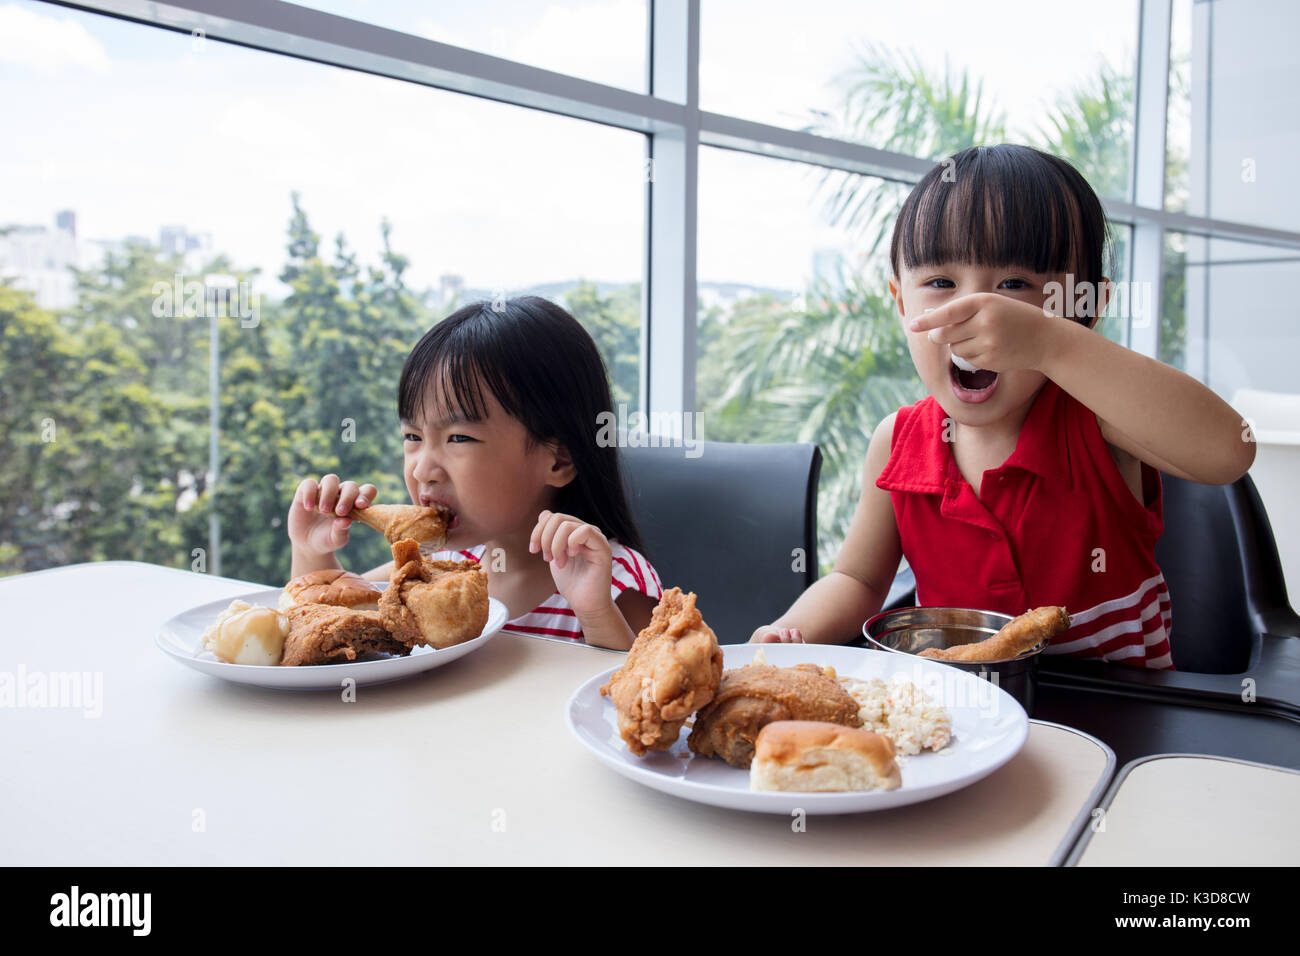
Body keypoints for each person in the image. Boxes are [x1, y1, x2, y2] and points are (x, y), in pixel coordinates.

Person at [751, 144, 1255, 668]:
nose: (977, 313)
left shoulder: (1097, 419)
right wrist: (790, 632)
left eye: (1015, 286)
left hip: (1119, 722)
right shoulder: (897, 442)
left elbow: (1228, 452)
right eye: (941, 283)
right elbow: (857, 579)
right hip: (959, 725)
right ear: (901, 302)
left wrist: (1053, 344)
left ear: (1085, 306)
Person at [287, 296, 661, 650]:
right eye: (413, 436)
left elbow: (643, 697)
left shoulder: (609, 577)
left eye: (458, 437)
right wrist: (312, 552)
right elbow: (324, 623)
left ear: (558, 460)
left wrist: (595, 612)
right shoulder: (438, 570)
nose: (422, 469)